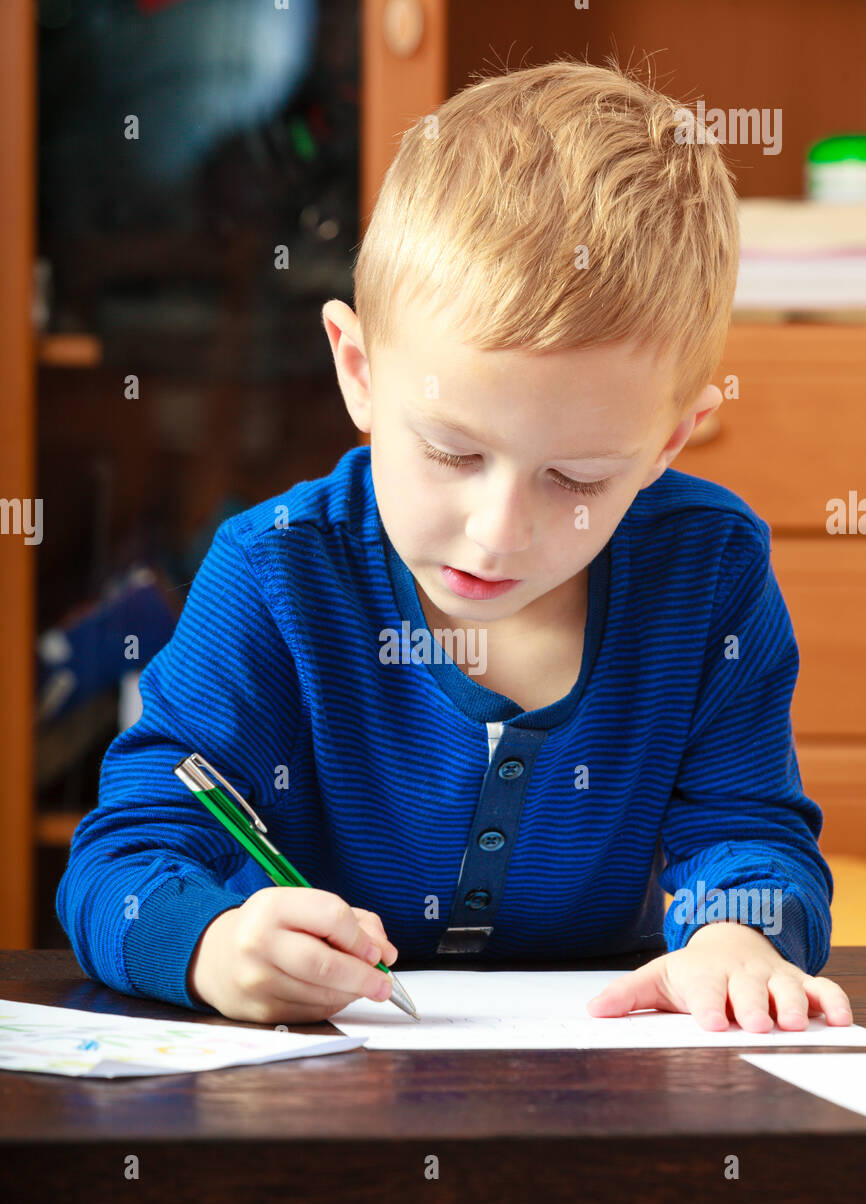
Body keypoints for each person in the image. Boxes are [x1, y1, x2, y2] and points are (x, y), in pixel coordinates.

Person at [56, 58, 853, 1033]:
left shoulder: (710, 571)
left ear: (667, 441)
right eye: (449, 451)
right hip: (319, 1104)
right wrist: (212, 947)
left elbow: (748, 833)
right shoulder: (275, 571)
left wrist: (735, 938)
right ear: (357, 371)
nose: (497, 528)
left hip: (608, 1095)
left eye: (577, 476)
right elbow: (125, 857)